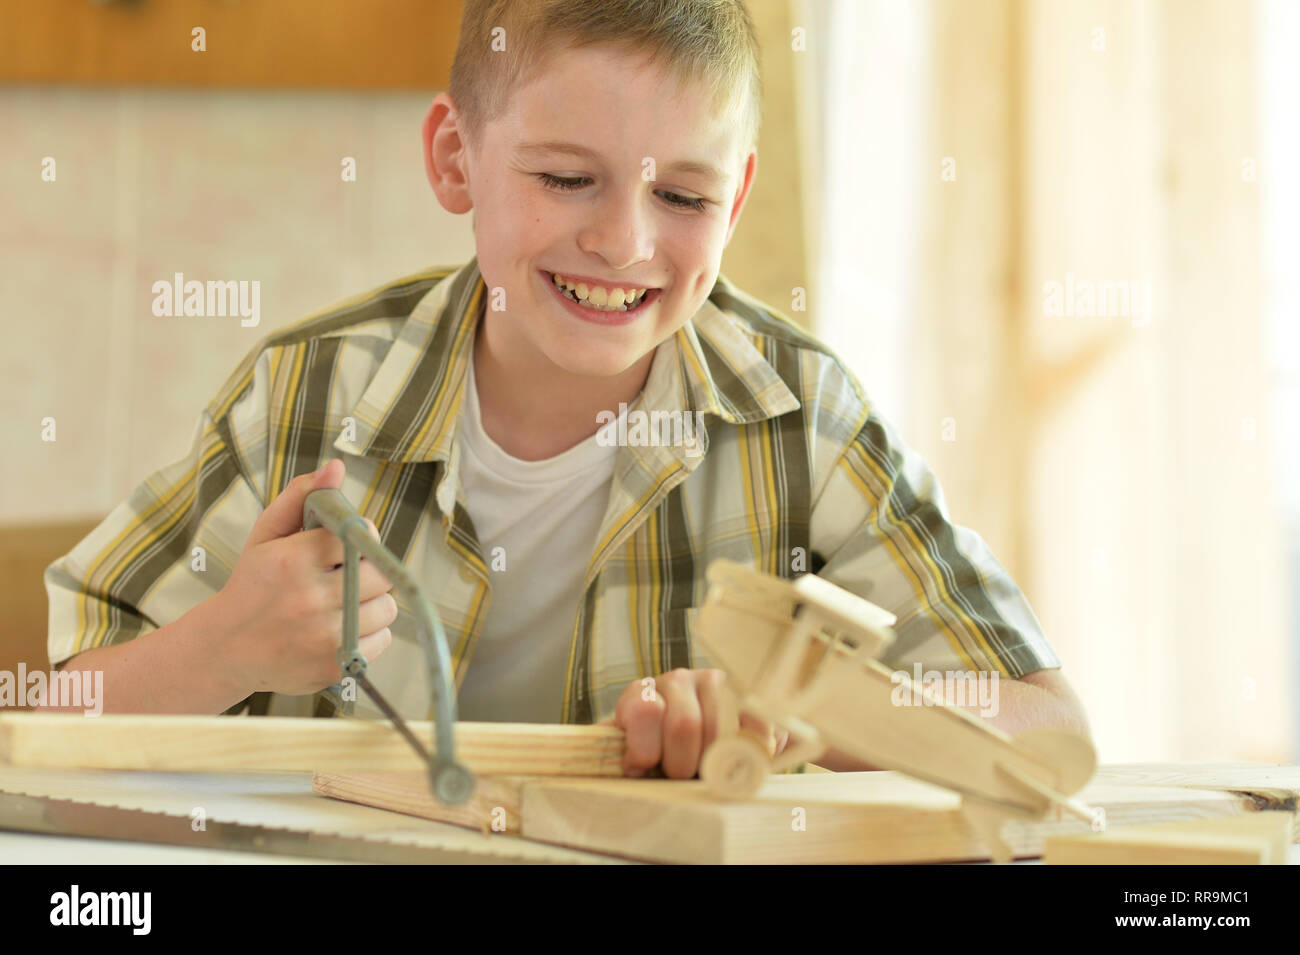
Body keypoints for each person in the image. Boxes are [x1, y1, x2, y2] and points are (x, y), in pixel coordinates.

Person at [43, 0, 1090, 779]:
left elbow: (1049, 730)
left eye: (683, 194)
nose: (624, 242)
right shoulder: (307, 394)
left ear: (735, 205)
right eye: (564, 178)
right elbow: (54, 726)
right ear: (457, 159)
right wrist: (222, 645)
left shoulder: (802, 419)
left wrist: (800, 712)